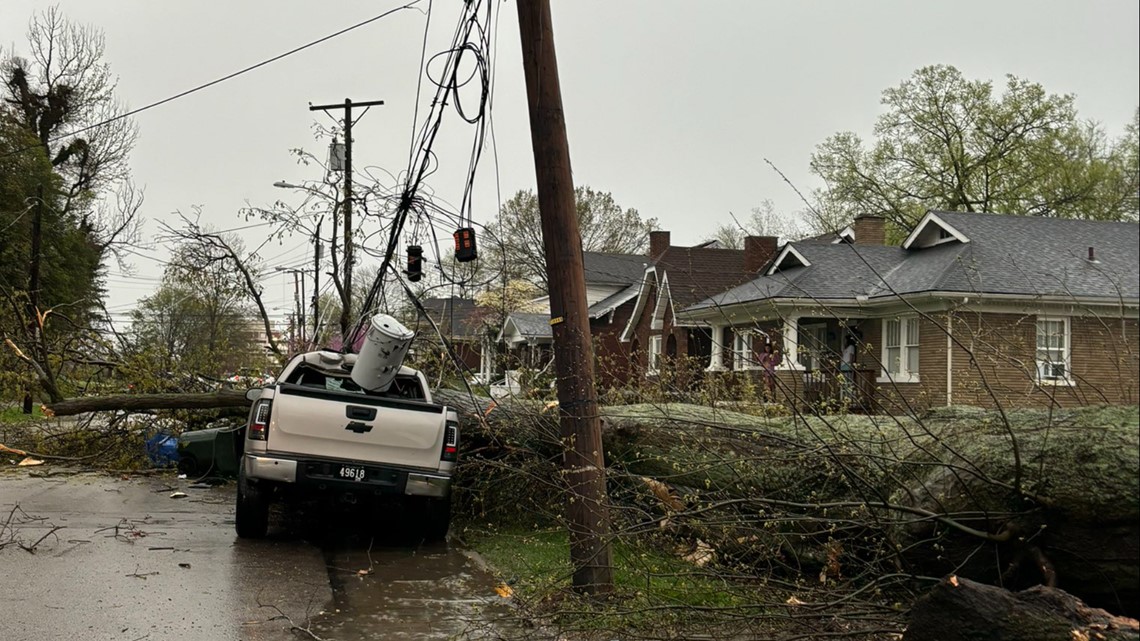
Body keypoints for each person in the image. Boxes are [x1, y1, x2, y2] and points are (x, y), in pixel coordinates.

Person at [839, 337, 857, 403]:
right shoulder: (845, 349)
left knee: (848, 381)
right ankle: (844, 397)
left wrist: (851, 365)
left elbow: (851, 356)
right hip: (843, 366)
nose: (844, 341)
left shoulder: (851, 347)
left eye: (845, 340)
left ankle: (849, 398)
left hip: (847, 365)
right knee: (844, 382)